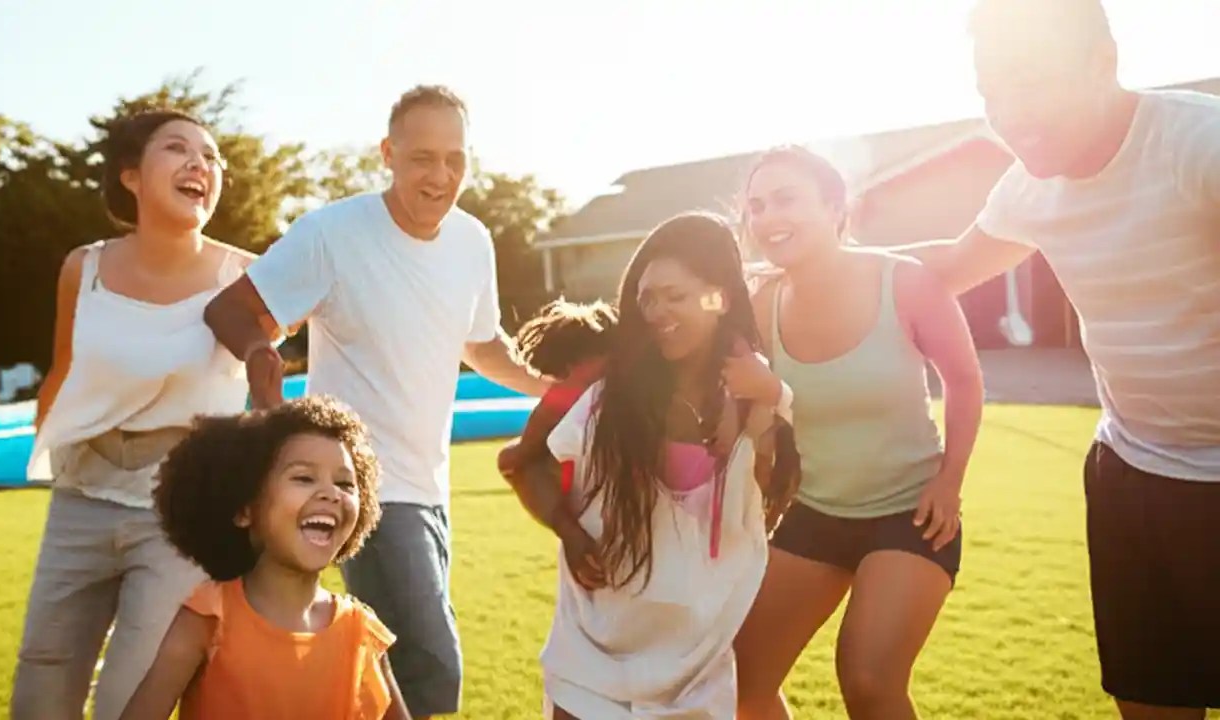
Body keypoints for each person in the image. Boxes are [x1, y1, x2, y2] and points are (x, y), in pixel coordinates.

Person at [895, 2, 1220, 716]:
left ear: (1104, 63)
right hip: (1132, 476)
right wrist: (809, 273)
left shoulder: (1200, 147)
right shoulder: (1028, 189)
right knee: (1152, 700)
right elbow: (941, 271)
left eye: (1032, 82)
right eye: (991, 92)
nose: (1009, 113)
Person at [203, 84, 547, 718]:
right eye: (421, 158)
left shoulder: (472, 241)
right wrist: (263, 369)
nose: (440, 176)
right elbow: (231, 310)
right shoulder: (333, 234)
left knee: (388, 673)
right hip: (365, 486)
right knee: (430, 666)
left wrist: (555, 389)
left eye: (455, 159)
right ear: (388, 153)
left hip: (429, 487)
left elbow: (484, 345)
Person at [506, 212, 799, 719]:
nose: (656, 310)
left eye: (675, 295)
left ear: (719, 299)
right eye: (646, 297)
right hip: (597, 640)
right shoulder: (606, 392)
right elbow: (521, 462)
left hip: (700, 647)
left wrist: (771, 398)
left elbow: (776, 489)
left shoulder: (756, 390)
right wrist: (570, 532)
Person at [11, 110, 254, 720]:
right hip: (82, 498)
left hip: (179, 513)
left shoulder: (247, 277)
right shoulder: (83, 267)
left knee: (133, 696)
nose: (202, 164)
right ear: (131, 176)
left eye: (212, 156)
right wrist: (43, 459)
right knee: (41, 682)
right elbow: (62, 371)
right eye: (178, 149)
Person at [733, 146, 985, 720]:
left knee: (869, 679)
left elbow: (964, 380)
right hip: (815, 512)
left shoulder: (906, 282)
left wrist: (950, 481)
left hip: (911, 514)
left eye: (787, 199)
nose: (769, 217)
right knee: (738, 679)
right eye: (757, 205)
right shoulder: (762, 302)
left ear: (834, 205)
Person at [119, 396, 410, 720]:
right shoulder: (208, 619)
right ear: (245, 507)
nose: (331, 493)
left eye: (345, 483)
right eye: (304, 478)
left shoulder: (362, 633)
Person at [497, 298, 617, 494]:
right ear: (573, 361)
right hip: (587, 485)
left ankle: (566, 523)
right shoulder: (561, 400)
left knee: (513, 459)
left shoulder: (622, 385)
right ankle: (566, 523)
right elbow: (520, 454)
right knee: (515, 459)